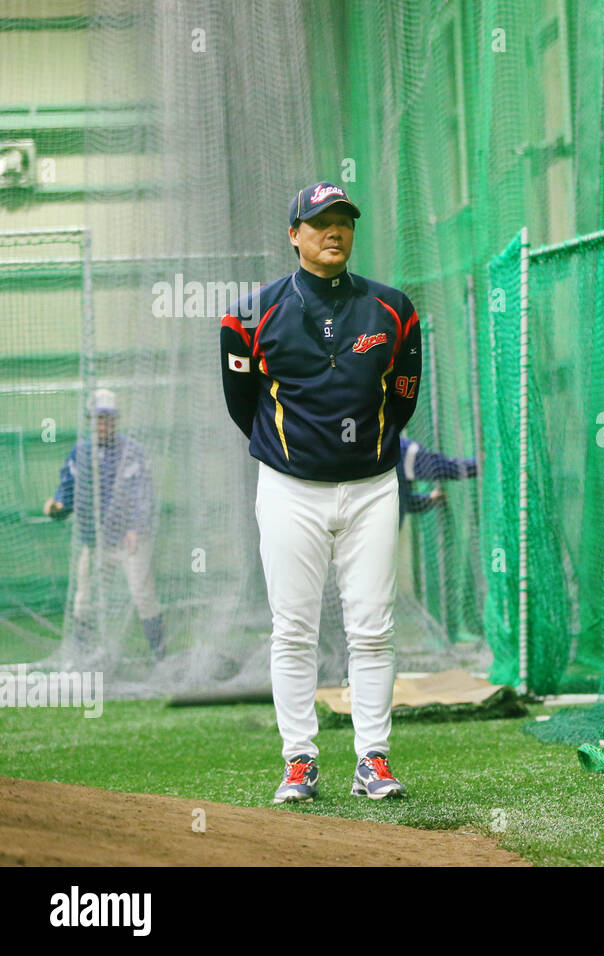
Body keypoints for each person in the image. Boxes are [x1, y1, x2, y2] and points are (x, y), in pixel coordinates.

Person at [219, 181, 422, 804]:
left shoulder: (394, 310)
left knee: (372, 629)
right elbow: (242, 407)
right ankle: (299, 762)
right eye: (319, 222)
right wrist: (297, 453)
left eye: (343, 220)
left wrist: (359, 452)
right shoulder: (248, 315)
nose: (333, 231)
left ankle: (373, 761)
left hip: (371, 489)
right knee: (293, 629)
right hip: (289, 490)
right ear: (294, 234)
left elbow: (405, 399)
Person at [44, 388, 164, 660]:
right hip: (94, 540)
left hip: (127, 540)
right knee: (84, 599)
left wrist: (135, 527)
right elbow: (68, 488)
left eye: (106, 418)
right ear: (90, 421)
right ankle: (80, 652)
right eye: (97, 419)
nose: (101, 424)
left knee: (143, 595)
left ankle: (160, 656)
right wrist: (57, 506)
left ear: (115, 420)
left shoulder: (130, 450)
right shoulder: (81, 451)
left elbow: (141, 492)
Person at [396, 434, 476, 525]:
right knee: (444, 468)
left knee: (445, 468)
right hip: (401, 459)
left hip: (402, 457)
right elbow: (404, 503)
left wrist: (428, 500)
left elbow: (404, 503)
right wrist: (429, 499)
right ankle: (478, 465)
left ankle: (478, 464)